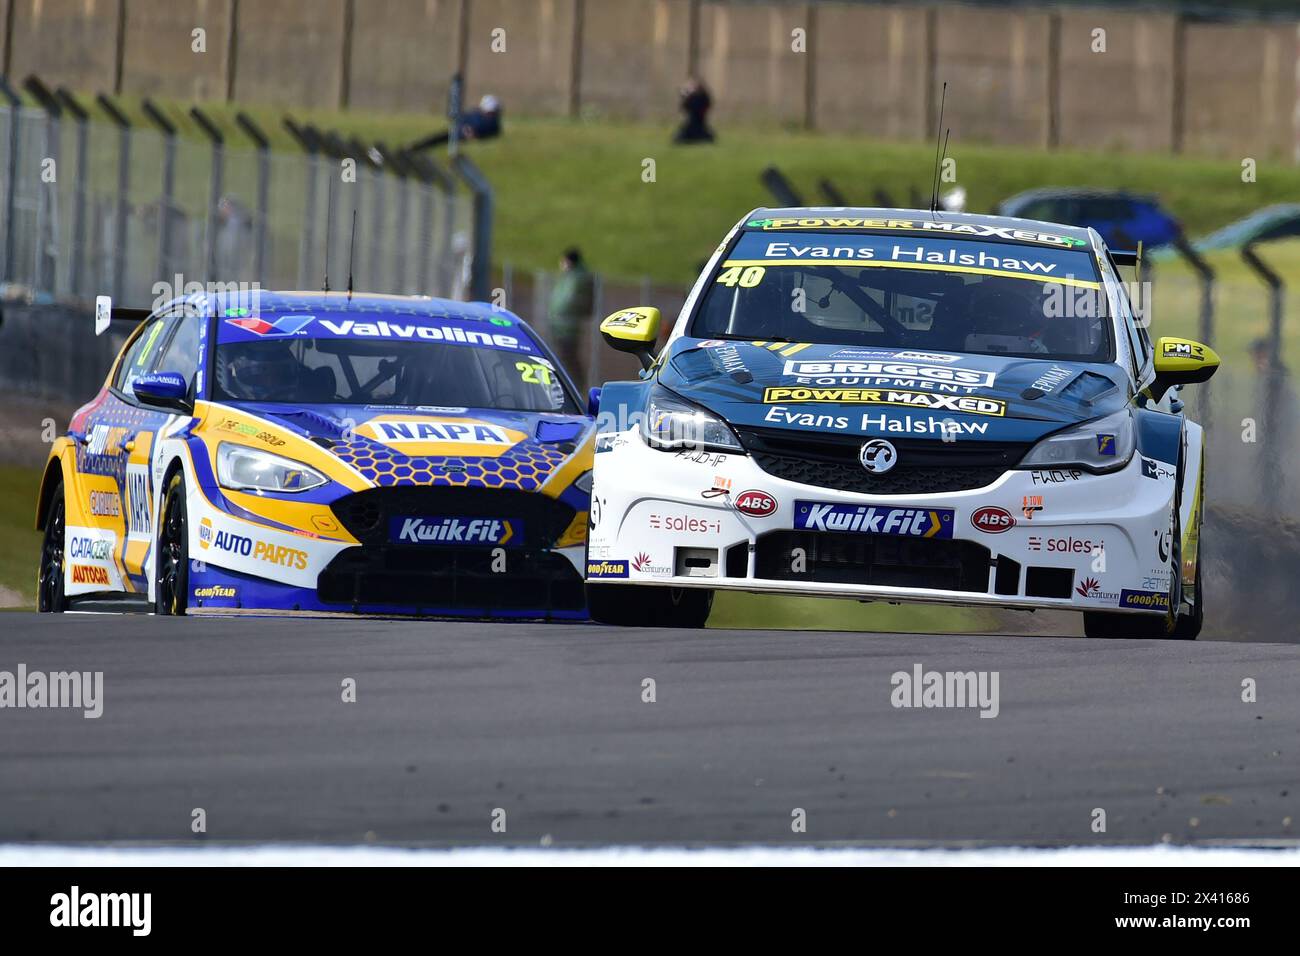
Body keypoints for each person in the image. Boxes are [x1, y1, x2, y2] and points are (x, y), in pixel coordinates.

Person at [547, 248, 595, 388]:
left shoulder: (577, 278)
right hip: (560, 325)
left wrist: (559, 314)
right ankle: (572, 384)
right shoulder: (568, 277)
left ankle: (577, 386)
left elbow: (568, 301)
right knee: (563, 356)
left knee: (567, 356)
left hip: (567, 327)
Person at [409, 94, 502, 152]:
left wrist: (473, 134)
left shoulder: (493, 125)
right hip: (457, 133)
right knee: (436, 138)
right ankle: (414, 148)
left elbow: (482, 134)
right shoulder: (475, 114)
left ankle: (414, 149)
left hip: (460, 136)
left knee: (439, 139)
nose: (491, 115)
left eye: (492, 112)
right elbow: (463, 120)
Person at [673, 77, 714, 144]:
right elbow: (685, 108)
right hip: (693, 122)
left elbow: (687, 107)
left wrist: (687, 96)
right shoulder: (695, 97)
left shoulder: (701, 97)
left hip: (698, 122)